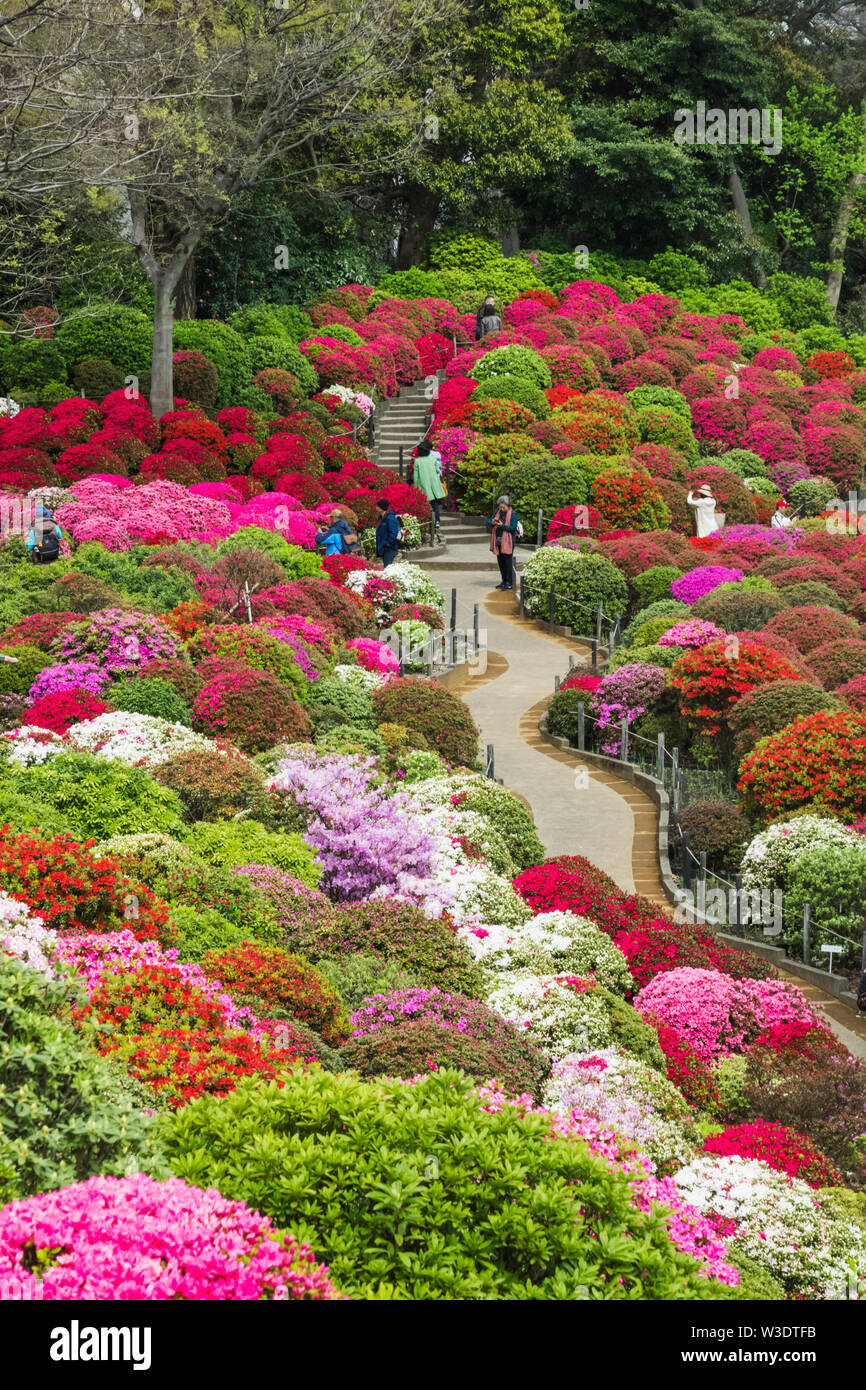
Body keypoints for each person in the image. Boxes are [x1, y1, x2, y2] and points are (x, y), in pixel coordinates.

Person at [413, 440, 446, 535]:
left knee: (424, 504)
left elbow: (416, 477)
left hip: (423, 486)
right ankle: (437, 522)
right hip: (433, 485)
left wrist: (416, 488)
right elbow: (437, 470)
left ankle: (426, 522)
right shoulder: (432, 459)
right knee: (435, 504)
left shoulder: (417, 461)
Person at [488, 494, 519, 590]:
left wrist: (502, 526)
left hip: (509, 541)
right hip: (498, 540)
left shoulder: (513, 515)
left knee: (507, 562)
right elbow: (489, 521)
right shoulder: (498, 512)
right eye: (500, 507)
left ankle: (509, 583)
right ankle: (504, 581)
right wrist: (492, 522)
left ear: (508, 506)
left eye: (503, 507)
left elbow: (513, 528)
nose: (501, 509)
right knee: (500, 562)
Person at [375, 498, 402, 569]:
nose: (376, 508)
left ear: (382, 508)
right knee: (386, 567)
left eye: (378, 506)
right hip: (384, 548)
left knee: (388, 568)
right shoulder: (381, 518)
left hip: (390, 548)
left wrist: (387, 544)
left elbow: (393, 533)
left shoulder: (390, 518)